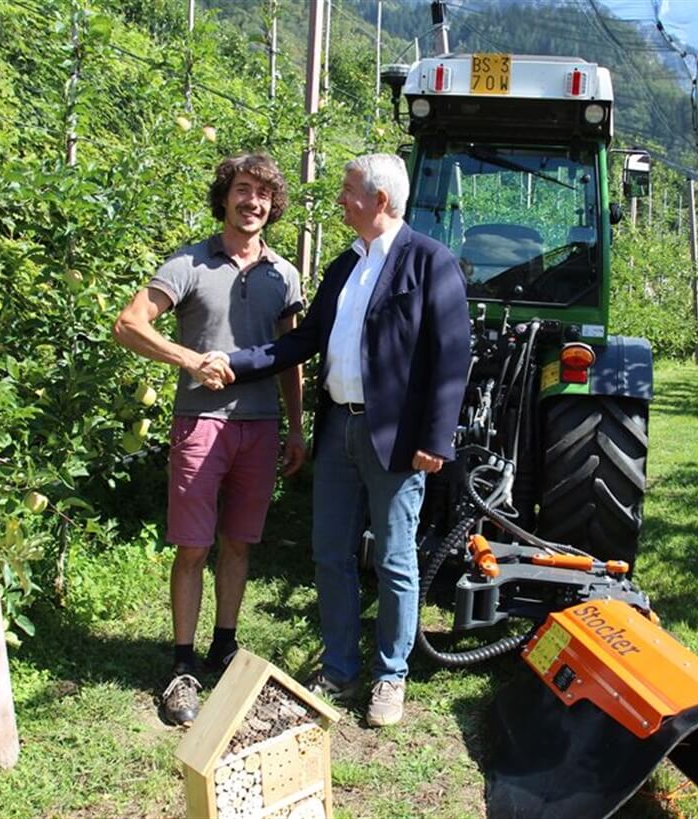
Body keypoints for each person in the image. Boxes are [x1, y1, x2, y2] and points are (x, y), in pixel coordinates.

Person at [201, 153, 471, 727]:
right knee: (329, 553)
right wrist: (235, 362)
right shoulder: (345, 266)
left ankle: (390, 677)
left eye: (349, 190)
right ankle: (341, 669)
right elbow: (301, 344)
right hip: (339, 428)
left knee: (396, 560)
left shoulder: (429, 262)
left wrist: (436, 439)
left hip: (395, 439)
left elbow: (452, 358)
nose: (340, 199)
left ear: (379, 200)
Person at [111, 153, 307, 727]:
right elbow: (129, 324)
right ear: (224, 197)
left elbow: (289, 358)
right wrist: (189, 359)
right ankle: (181, 664)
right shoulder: (189, 263)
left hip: (261, 426)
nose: (254, 202)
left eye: (264, 194)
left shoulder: (283, 275)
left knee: (240, 544)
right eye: (243, 190)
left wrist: (296, 427)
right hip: (201, 423)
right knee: (193, 546)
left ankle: (224, 644)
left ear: (274, 206)